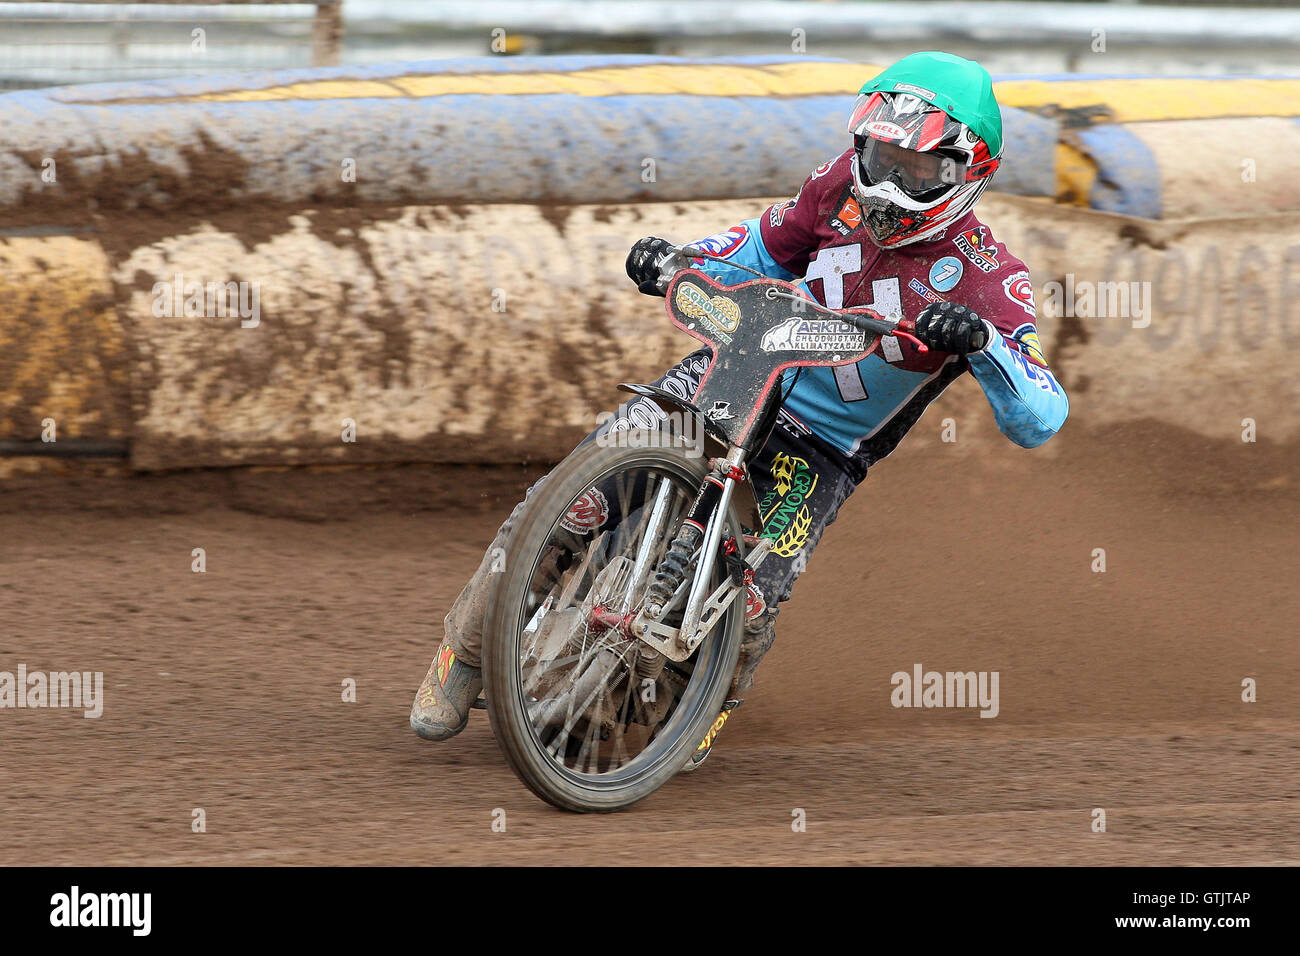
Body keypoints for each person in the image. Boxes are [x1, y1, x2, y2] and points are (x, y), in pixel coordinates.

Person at [411, 51, 1069, 770]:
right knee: (571, 504)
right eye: (879, 156)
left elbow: (1040, 415)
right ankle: (464, 652)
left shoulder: (989, 279)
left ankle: (699, 713)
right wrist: (678, 260)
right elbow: (757, 250)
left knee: (750, 606)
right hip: (736, 368)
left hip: (822, 447)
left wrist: (981, 343)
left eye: (914, 170)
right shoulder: (834, 190)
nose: (887, 183)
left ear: (967, 171)